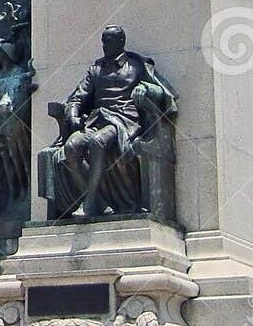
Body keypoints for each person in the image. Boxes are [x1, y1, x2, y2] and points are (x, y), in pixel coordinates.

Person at [57, 26, 176, 219]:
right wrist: (72, 113)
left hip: (124, 122)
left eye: (110, 41)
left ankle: (88, 204)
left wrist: (146, 88)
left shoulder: (137, 66)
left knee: (97, 141)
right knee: (70, 147)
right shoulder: (96, 69)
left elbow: (163, 93)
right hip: (96, 120)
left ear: (121, 42)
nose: (105, 45)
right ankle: (98, 202)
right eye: (103, 41)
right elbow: (78, 97)